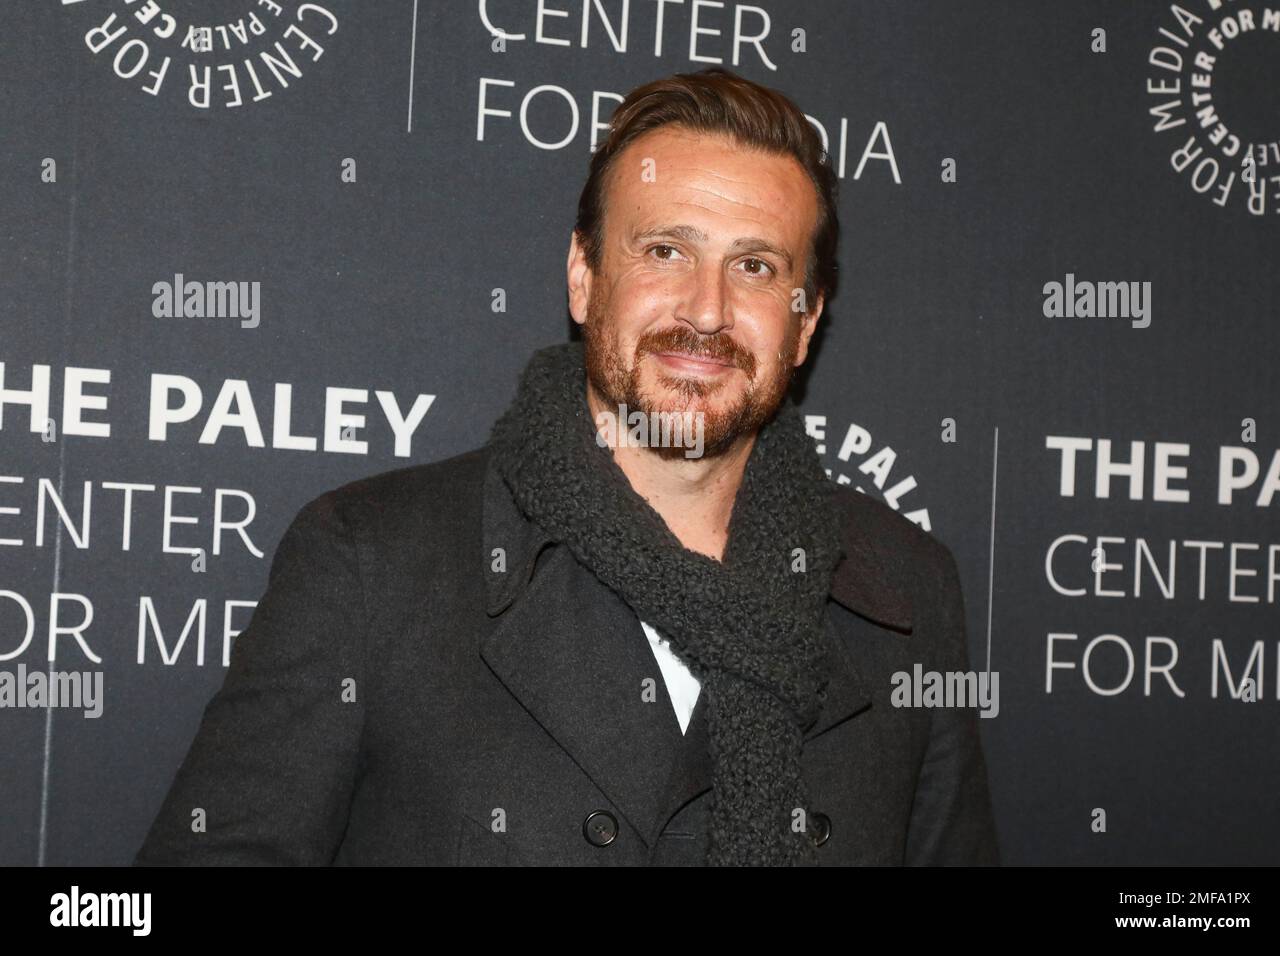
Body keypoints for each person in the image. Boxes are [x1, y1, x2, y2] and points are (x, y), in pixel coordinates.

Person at [135, 66, 998, 866]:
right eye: (665, 251)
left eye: (757, 267)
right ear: (583, 278)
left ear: (806, 324)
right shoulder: (376, 559)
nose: (708, 310)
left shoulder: (908, 594)